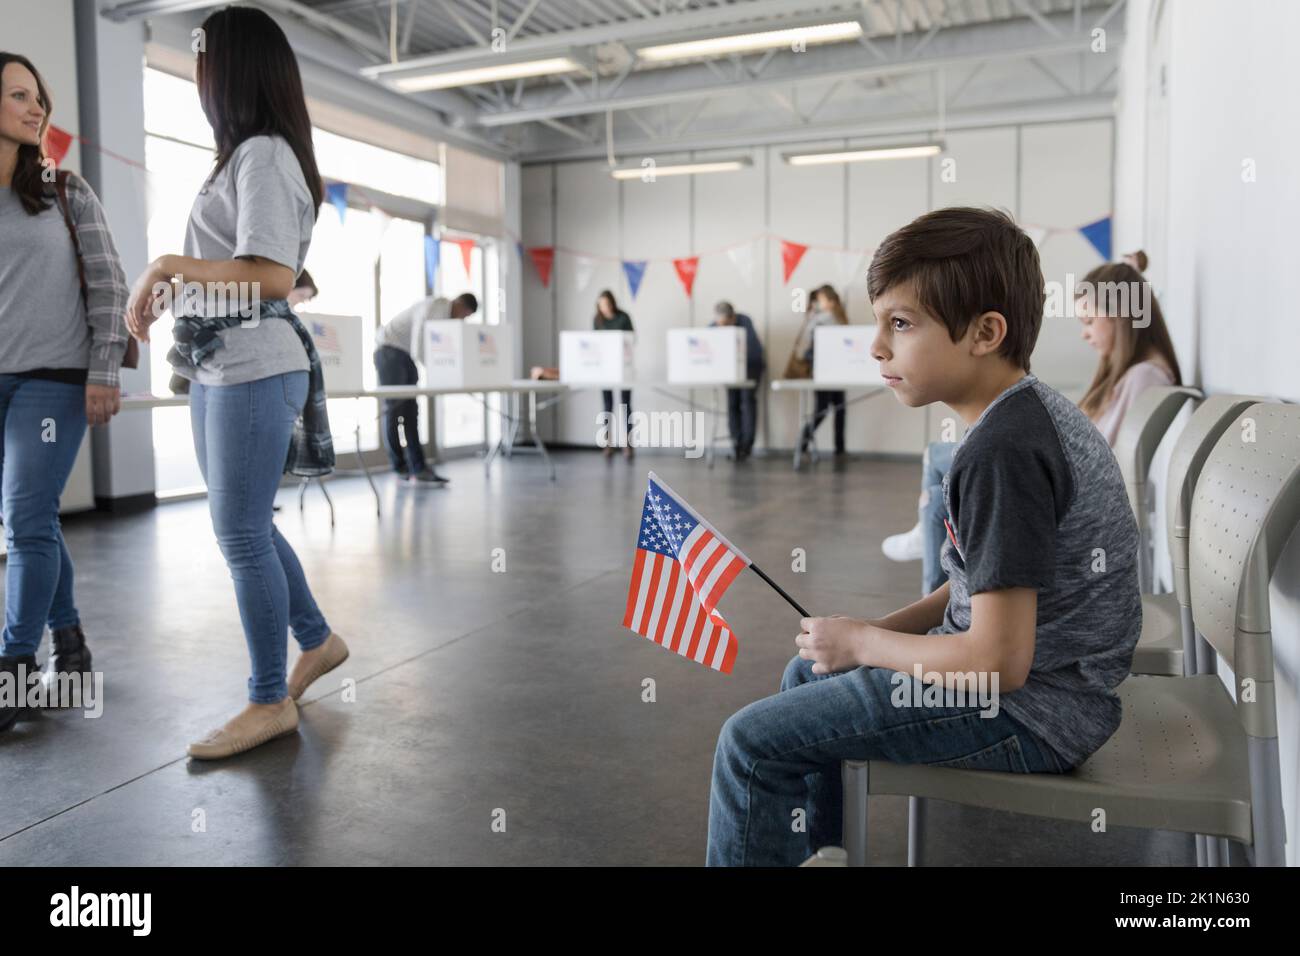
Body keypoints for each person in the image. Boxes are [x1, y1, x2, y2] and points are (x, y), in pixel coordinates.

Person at [707, 207, 1142, 866]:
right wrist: (878, 630)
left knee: (749, 743)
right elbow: (979, 583)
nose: (877, 346)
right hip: (1047, 692)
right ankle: (821, 853)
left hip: (1034, 713)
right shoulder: (1022, 413)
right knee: (809, 670)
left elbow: (997, 662)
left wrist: (865, 642)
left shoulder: (1002, 450)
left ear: (985, 332)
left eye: (901, 325)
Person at [125, 6, 347, 760]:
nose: (195, 72)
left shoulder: (264, 154)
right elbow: (236, 268)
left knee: (240, 533)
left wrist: (167, 266)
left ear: (229, 71)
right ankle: (316, 641)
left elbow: (273, 276)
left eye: (201, 58)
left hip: (257, 364)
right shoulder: (242, 156)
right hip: (225, 363)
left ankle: (266, 702)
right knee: (245, 525)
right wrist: (177, 291)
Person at [882, 249, 1180, 595]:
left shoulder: (1145, 377)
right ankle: (937, 571)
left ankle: (934, 568)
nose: (1085, 334)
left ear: (1119, 316)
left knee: (936, 491)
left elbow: (1103, 453)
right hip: (1068, 479)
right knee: (938, 488)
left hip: (1075, 493)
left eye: (1089, 321)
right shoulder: (1131, 374)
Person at [0, 53, 129, 732]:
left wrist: (104, 369)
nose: (36, 107)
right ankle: (71, 645)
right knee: (32, 520)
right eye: (18, 95)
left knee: (24, 521)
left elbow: (110, 283)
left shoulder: (63, 189)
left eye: (38, 96)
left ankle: (13, 670)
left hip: (52, 381)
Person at [373, 291, 478, 485]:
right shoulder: (434, 306)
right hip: (389, 350)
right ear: (460, 305)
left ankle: (418, 468)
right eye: (465, 314)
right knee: (394, 411)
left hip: (406, 356)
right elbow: (419, 343)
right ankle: (400, 468)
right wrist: (437, 371)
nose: (463, 319)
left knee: (411, 413)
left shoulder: (447, 320)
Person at [797, 284, 849, 457]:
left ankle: (807, 444)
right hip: (827, 370)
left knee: (833, 408)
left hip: (831, 370)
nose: (818, 304)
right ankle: (806, 443)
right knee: (829, 408)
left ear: (830, 301)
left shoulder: (826, 318)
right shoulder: (831, 318)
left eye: (821, 300)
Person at [709, 301, 765, 460]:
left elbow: (753, 350)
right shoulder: (714, 326)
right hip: (730, 369)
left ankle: (747, 445)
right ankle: (736, 443)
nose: (722, 328)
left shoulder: (745, 321)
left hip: (751, 366)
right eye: (720, 324)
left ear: (733, 318)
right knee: (732, 403)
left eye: (725, 324)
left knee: (747, 401)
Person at [593, 289, 634, 460]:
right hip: (605, 369)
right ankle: (608, 443)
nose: (605, 308)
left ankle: (627, 443)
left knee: (625, 405)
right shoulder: (598, 320)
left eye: (607, 305)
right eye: (601, 306)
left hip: (624, 367)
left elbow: (632, 340)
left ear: (612, 304)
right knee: (607, 405)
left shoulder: (623, 317)